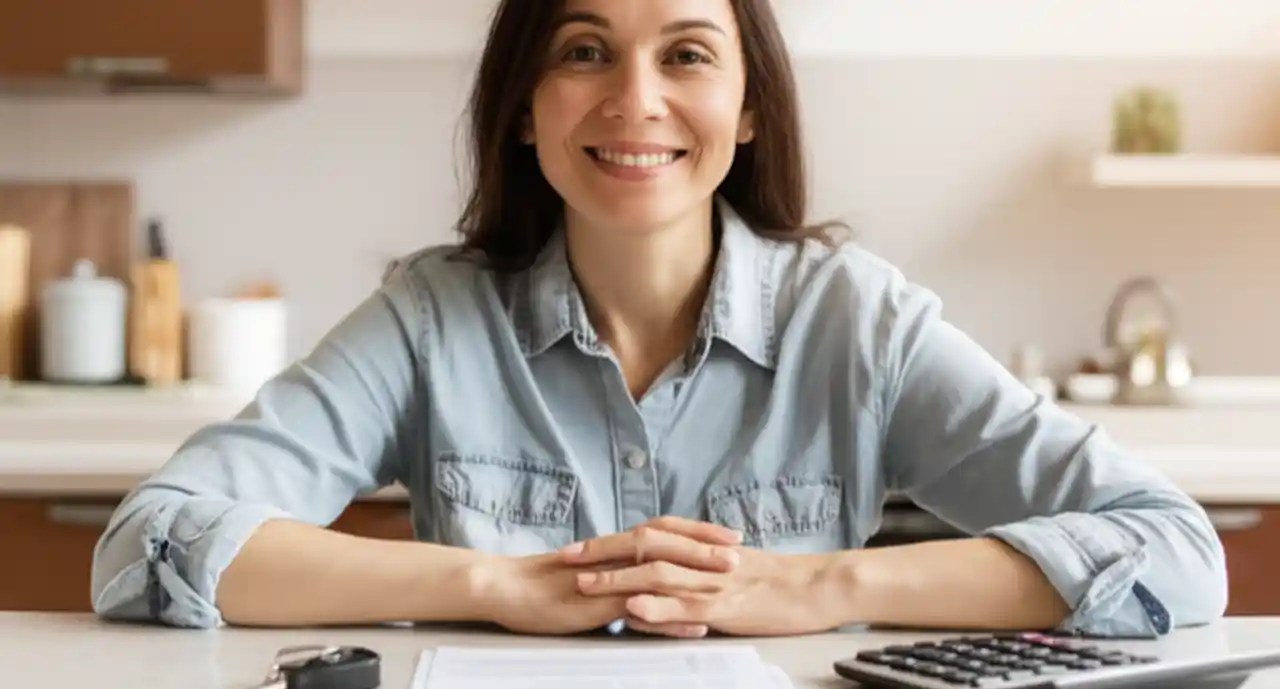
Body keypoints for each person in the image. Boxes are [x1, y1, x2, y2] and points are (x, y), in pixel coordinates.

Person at [90, 0, 1226, 640]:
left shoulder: (856, 321)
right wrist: (491, 584)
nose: (633, 100)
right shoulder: (433, 317)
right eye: (583, 52)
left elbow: (1171, 551)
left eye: (685, 54)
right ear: (524, 114)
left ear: (742, 114)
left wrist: (818, 585)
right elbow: (151, 543)